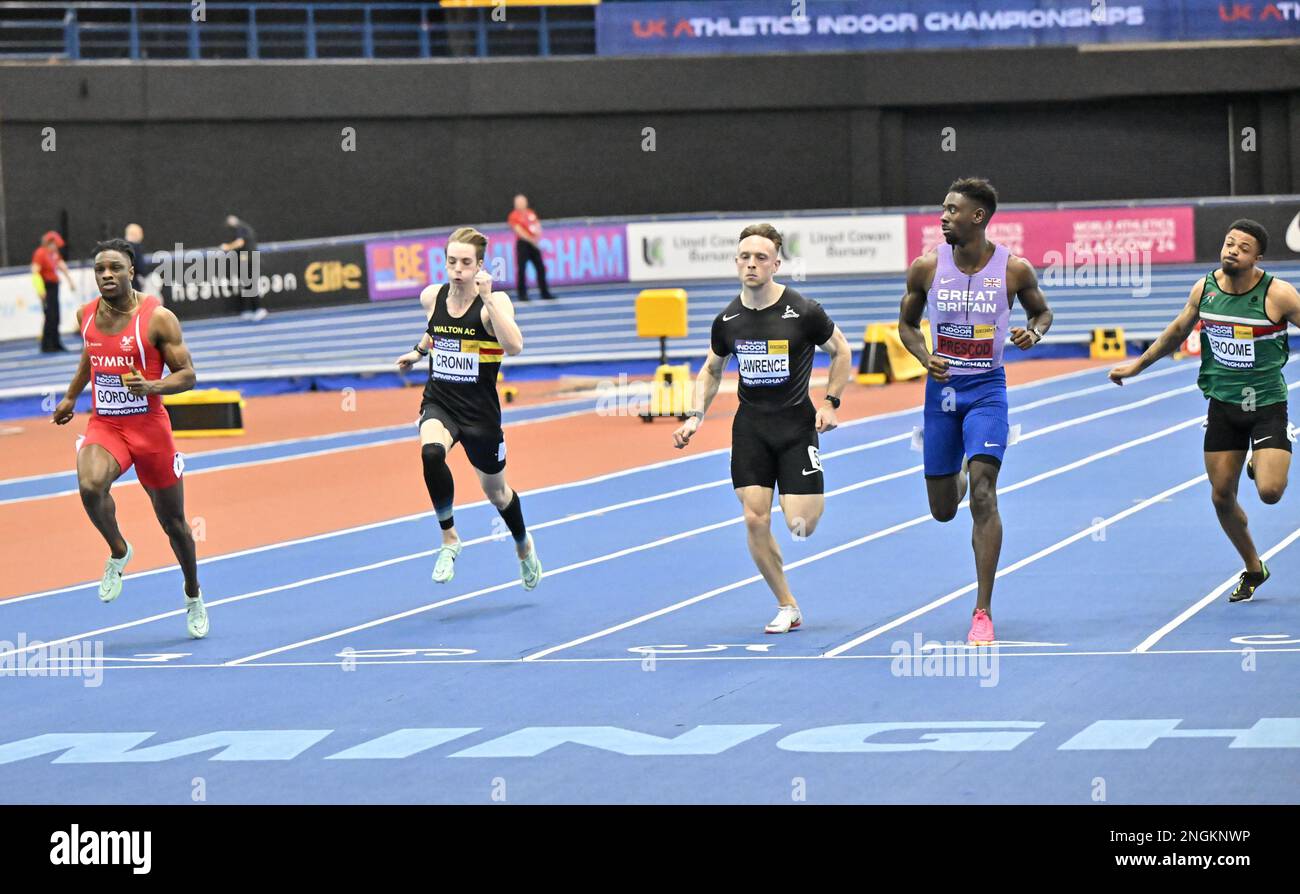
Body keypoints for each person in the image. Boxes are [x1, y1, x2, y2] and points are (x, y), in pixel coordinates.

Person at [672, 223, 853, 634]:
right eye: (745, 257)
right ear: (736, 261)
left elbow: (841, 350)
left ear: (776, 263)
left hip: (796, 427)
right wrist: (695, 416)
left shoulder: (804, 310)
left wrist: (831, 402)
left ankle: (796, 498)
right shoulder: (727, 320)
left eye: (760, 257)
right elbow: (712, 370)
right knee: (755, 518)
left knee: (800, 525)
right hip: (751, 429)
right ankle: (787, 604)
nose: (751, 264)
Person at [897, 177, 1053, 644]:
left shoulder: (1014, 270)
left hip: (987, 391)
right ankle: (962, 464)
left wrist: (1034, 333)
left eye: (951, 210)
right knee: (944, 509)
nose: (943, 217)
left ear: (977, 217)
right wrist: (926, 358)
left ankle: (982, 611)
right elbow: (906, 326)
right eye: (943, 209)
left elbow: (1041, 313)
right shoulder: (926, 267)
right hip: (942, 397)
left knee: (985, 494)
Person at [1110, 219, 1300, 603]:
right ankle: (1253, 567)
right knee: (1220, 497)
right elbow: (1178, 330)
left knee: (1270, 491)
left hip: (1265, 404)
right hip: (1223, 406)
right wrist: (1136, 366)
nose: (1232, 250)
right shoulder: (1205, 288)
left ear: (1257, 257)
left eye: (1242, 247)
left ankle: (1262, 457)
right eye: (1229, 243)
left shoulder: (1279, 295)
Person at [51, 239, 209, 638]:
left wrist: (152, 386)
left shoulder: (158, 318)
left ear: (130, 272)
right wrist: (72, 394)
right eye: (100, 269)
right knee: (89, 485)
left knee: (174, 524)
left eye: (115, 268)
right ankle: (119, 551)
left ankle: (192, 592)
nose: (107, 275)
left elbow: (188, 375)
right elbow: (91, 354)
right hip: (107, 426)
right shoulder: (85, 315)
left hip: (150, 429)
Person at [395, 227, 542, 589]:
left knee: (497, 493)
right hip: (440, 401)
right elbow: (437, 331)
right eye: (451, 262)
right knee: (431, 453)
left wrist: (489, 299)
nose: (457, 269)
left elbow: (516, 346)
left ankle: (523, 545)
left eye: (465, 263)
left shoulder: (497, 303)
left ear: (479, 266)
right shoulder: (432, 296)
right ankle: (449, 538)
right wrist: (418, 351)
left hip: (481, 414)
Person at [31, 230, 77, 353]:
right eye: (54, 244)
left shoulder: (54, 253)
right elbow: (35, 272)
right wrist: (40, 290)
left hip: (54, 286)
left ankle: (56, 343)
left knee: (56, 316)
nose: (56, 247)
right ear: (49, 243)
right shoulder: (40, 253)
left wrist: (70, 280)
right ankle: (46, 345)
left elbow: (61, 266)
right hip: (47, 287)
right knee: (49, 316)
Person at [507, 194, 556, 302]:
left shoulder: (530, 213)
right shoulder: (514, 215)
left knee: (541, 268)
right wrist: (532, 240)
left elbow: (537, 225)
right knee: (522, 269)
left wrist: (538, 235)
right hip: (523, 244)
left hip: (534, 244)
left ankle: (544, 292)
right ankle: (522, 294)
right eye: (518, 202)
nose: (520, 204)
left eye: (522, 202)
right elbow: (519, 230)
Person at [220, 214, 266, 321]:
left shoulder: (241, 228)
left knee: (251, 285)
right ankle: (250, 310)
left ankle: (258, 309)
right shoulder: (242, 228)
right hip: (246, 260)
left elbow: (240, 243)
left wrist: (227, 247)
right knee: (246, 285)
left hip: (249, 260)